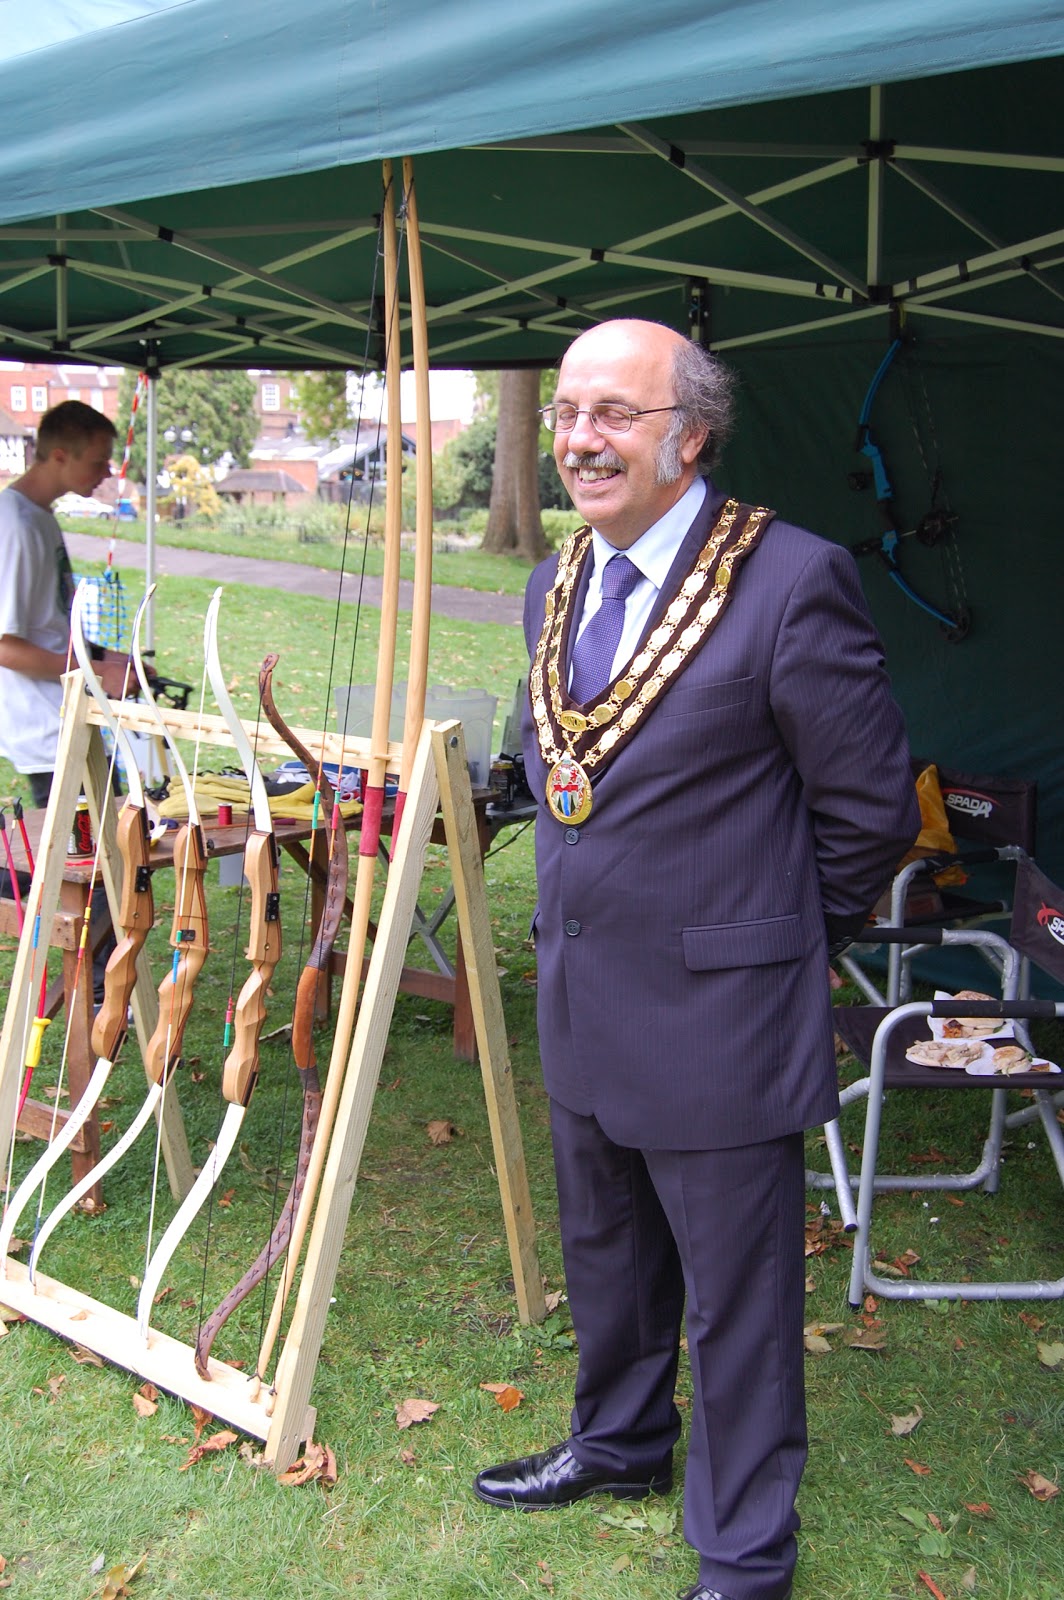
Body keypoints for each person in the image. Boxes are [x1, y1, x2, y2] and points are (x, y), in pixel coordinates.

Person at [473, 319, 919, 1600]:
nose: (577, 439)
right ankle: (618, 1443)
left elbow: (868, 808)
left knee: (735, 1299)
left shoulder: (787, 579)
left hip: (721, 1006)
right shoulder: (558, 579)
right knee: (605, 1249)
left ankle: (741, 1550)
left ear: (690, 434)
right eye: (565, 414)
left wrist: (772, 951)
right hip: (579, 988)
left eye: (612, 413)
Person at [0, 399, 129, 805]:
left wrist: (110, 657)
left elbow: (52, 625)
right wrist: (95, 671)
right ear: (59, 456)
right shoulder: (15, 525)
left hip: (71, 719)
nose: (107, 472)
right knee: (91, 864)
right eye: (98, 461)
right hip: (47, 732)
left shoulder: (40, 517)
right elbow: (5, 646)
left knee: (122, 853)